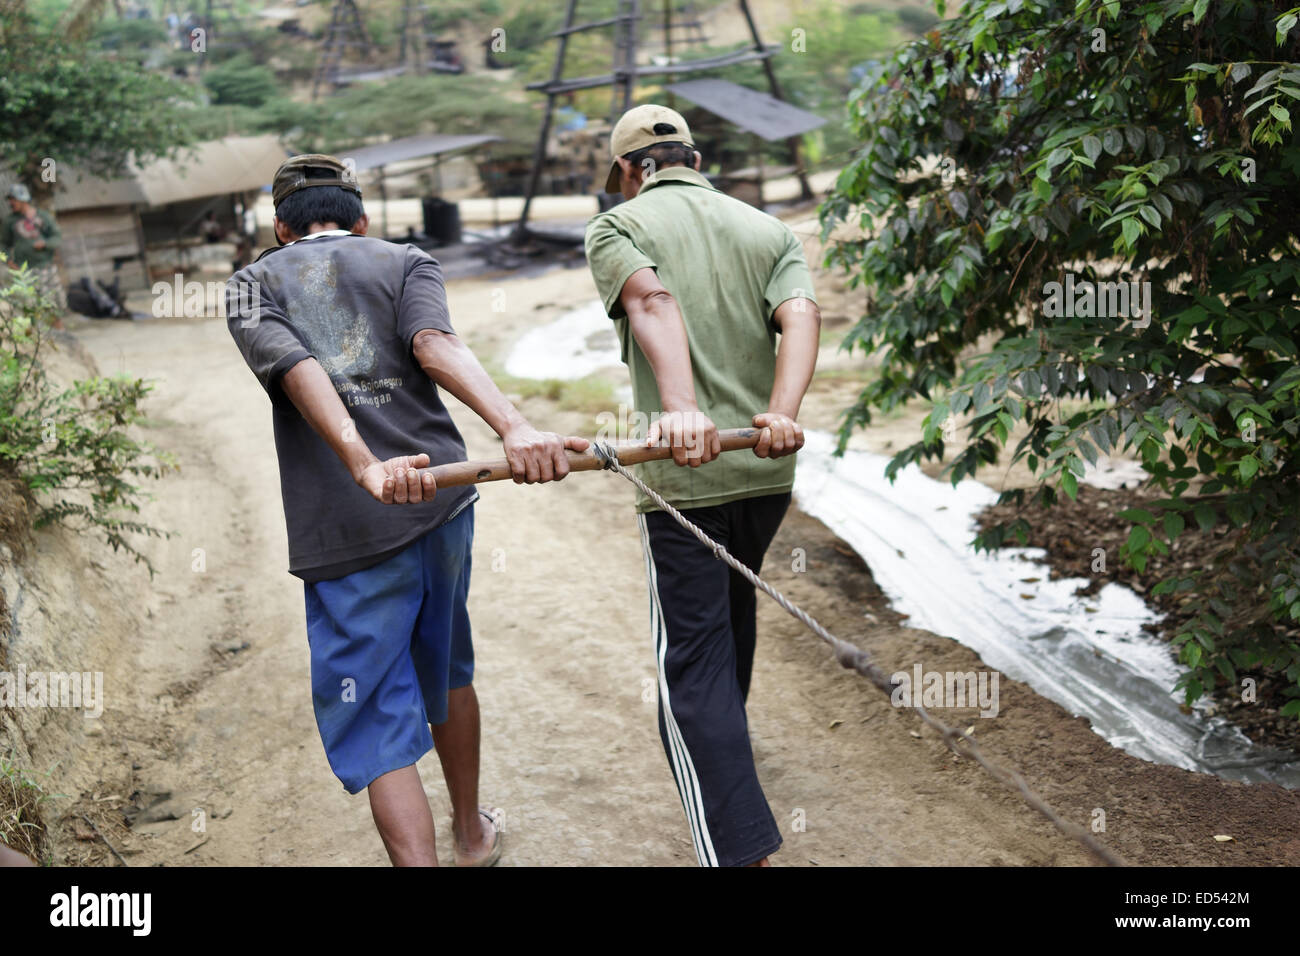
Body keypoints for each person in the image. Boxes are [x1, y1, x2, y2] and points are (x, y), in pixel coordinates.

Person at [225, 154, 588, 866]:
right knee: (447, 666)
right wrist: (513, 427)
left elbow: (296, 367)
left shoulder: (249, 285)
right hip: (443, 506)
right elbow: (434, 343)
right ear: (360, 219)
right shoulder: (405, 260)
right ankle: (471, 833)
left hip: (347, 529)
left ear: (280, 227)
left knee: (374, 708)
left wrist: (361, 463)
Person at [584, 105, 821, 867]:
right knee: (732, 599)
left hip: (683, 479)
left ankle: (733, 846)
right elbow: (801, 314)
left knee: (690, 662)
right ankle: (733, 754)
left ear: (629, 170)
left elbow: (653, 301)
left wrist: (680, 412)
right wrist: (780, 415)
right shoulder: (767, 228)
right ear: (695, 157)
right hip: (765, 467)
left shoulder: (618, 227)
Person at [2, 183, 65, 325]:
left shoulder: (43, 216)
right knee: (30, 305)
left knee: (54, 301)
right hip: (23, 270)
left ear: (23, 199)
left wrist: (45, 244)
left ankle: (59, 330)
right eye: (10, 200)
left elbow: (57, 237)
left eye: (14, 199)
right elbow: (3, 244)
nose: (11, 203)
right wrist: (8, 260)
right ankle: (36, 335)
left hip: (45, 267)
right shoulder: (10, 221)